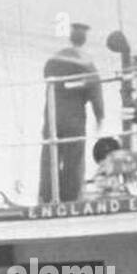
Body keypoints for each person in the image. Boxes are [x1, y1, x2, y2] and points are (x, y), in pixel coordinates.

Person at [39, 21, 105, 203]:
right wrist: (99, 116)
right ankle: (70, 198)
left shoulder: (53, 60)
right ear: (84, 39)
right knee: (73, 159)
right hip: (74, 117)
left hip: (52, 115)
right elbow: (95, 91)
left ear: (70, 37)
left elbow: (47, 77)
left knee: (50, 155)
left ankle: (46, 195)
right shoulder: (86, 63)